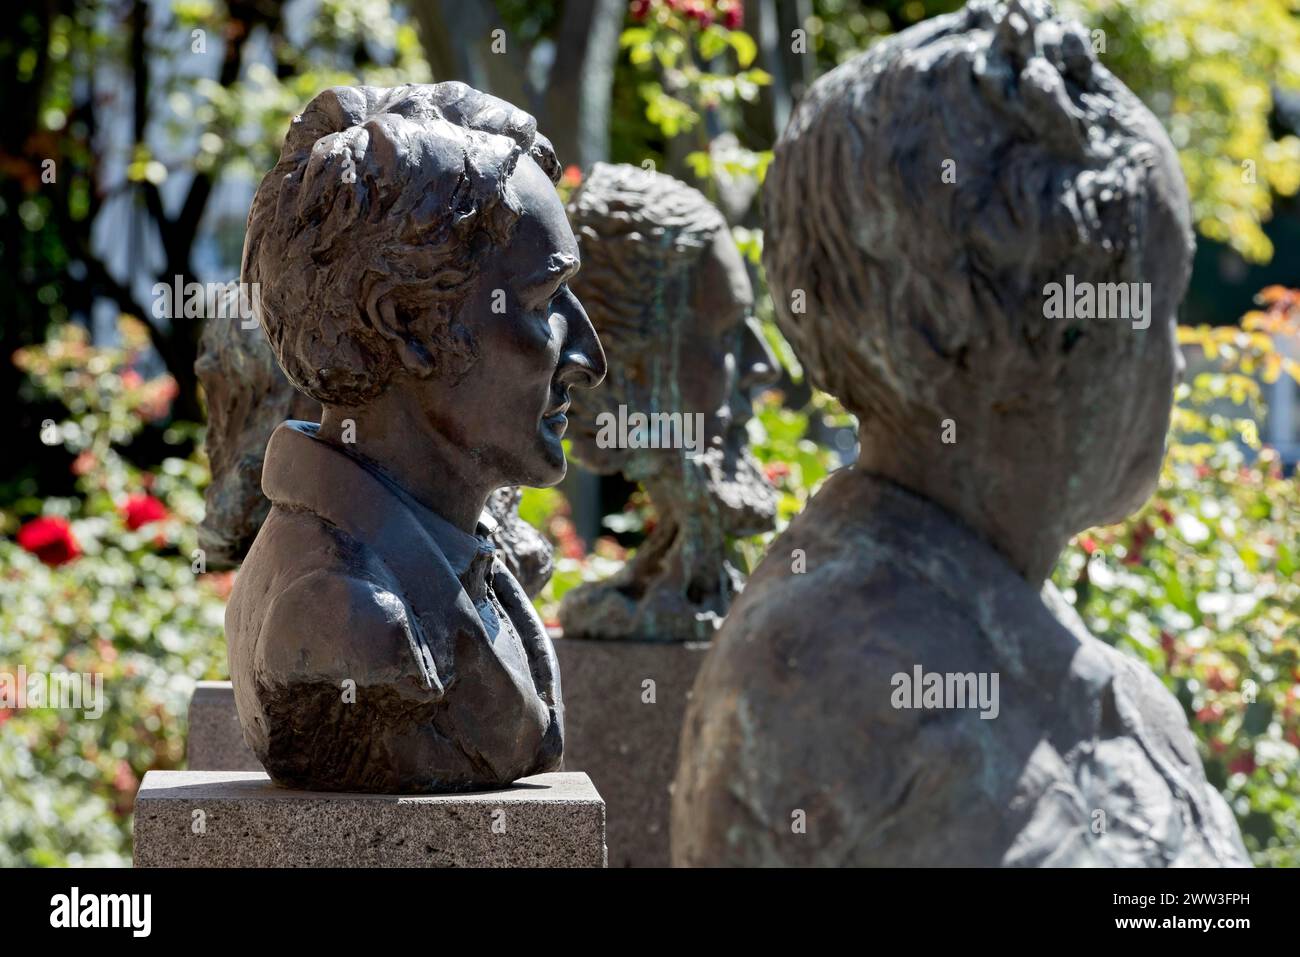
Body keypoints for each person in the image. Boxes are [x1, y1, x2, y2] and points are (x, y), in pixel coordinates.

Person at [227, 82, 605, 793]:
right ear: (403, 323)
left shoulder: (453, 554)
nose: (588, 355)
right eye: (544, 302)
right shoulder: (347, 615)